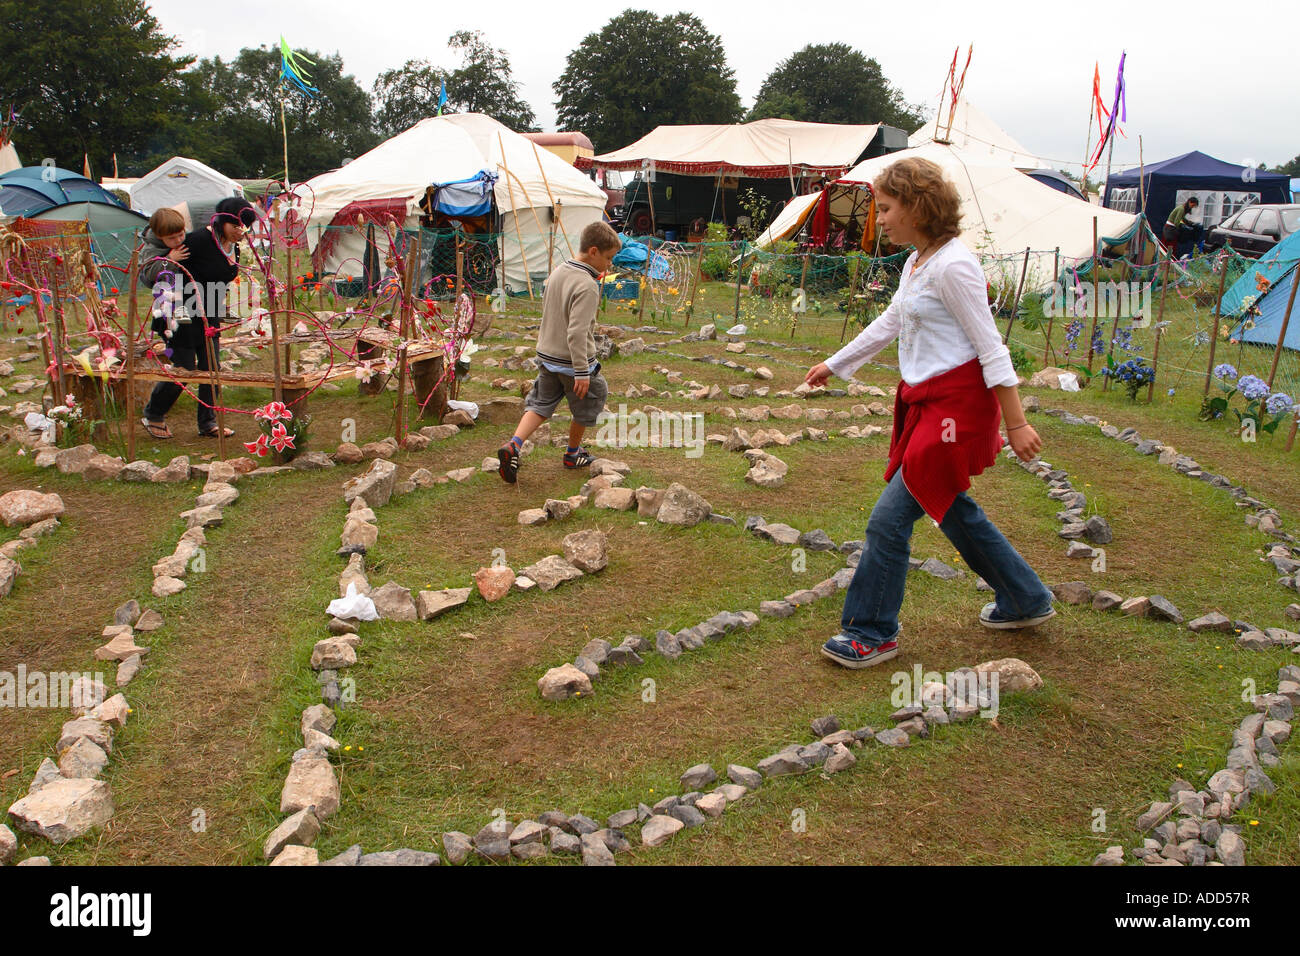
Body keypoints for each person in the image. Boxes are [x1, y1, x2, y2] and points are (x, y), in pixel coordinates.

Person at [804, 157, 1056, 669]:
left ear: (919, 207)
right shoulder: (917, 262)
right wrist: (833, 364)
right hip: (927, 402)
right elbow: (890, 322)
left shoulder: (954, 265)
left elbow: (992, 347)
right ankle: (1025, 598)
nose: (882, 218)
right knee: (952, 508)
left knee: (889, 519)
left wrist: (1017, 421)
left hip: (957, 407)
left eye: (888, 207)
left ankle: (871, 631)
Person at [496, 220, 620, 482]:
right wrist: (582, 372)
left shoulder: (558, 272)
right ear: (594, 251)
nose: (609, 265)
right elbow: (576, 333)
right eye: (608, 258)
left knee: (541, 404)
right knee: (592, 398)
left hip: (548, 357)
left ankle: (514, 445)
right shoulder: (587, 285)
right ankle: (573, 453)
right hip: (572, 361)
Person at [142, 197, 257, 439]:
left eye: (244, 227)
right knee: (184, 368)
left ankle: (208, 422)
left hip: (209, 314)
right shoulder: (196, 241)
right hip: (179, 314)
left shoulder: (234, 246)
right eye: (236, 226)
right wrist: (168, 262)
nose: (241, 232)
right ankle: (153, 414)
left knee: (211, 368)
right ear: (223, 221)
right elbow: (155, 273)